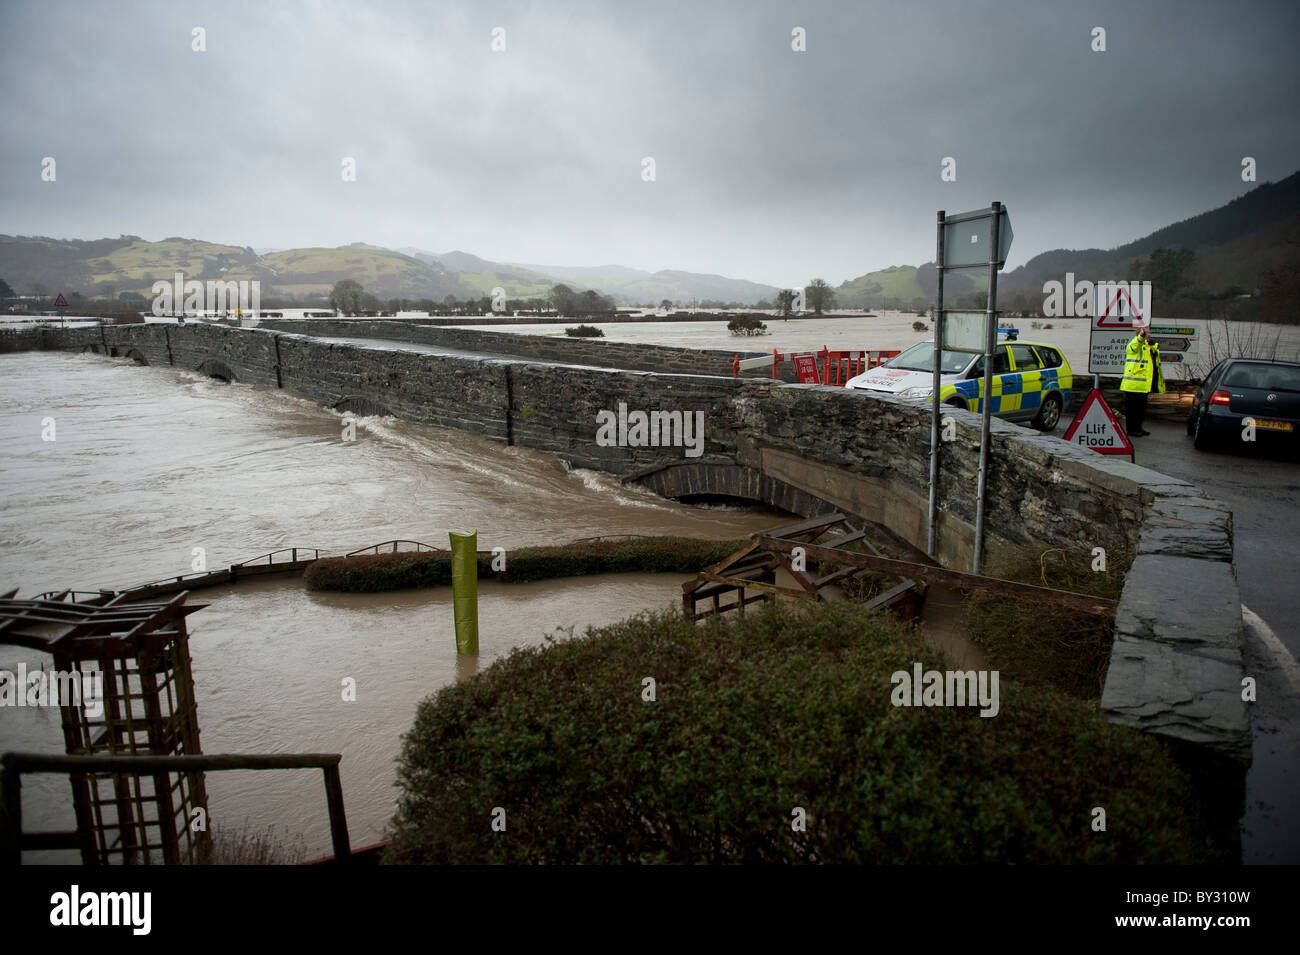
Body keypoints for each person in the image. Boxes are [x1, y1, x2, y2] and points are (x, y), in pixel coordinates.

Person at [1119, 324, 1164, 437]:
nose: (1148, 335)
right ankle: (1132, 429)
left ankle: (1139, 427)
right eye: (1146, 333)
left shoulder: (1150, 348)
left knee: (1141, 410)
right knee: (1132, 410)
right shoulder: (1135, 345)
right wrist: (1140, 337)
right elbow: (1133, 346)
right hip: (1133, 385)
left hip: (1143, 385)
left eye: (1149, 333)